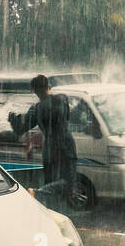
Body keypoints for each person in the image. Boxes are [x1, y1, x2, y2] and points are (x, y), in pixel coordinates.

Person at [10, 74, 77, 212]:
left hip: (49, 150)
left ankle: (50, 208)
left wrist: (12, 118)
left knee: (51, 182)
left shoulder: (37, 109)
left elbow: (20, 129)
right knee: (69, 183)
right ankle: (39, 193)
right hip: (66, 147)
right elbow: (68, 116)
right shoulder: (62, 99)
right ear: (48, 86)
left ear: (35, 92)